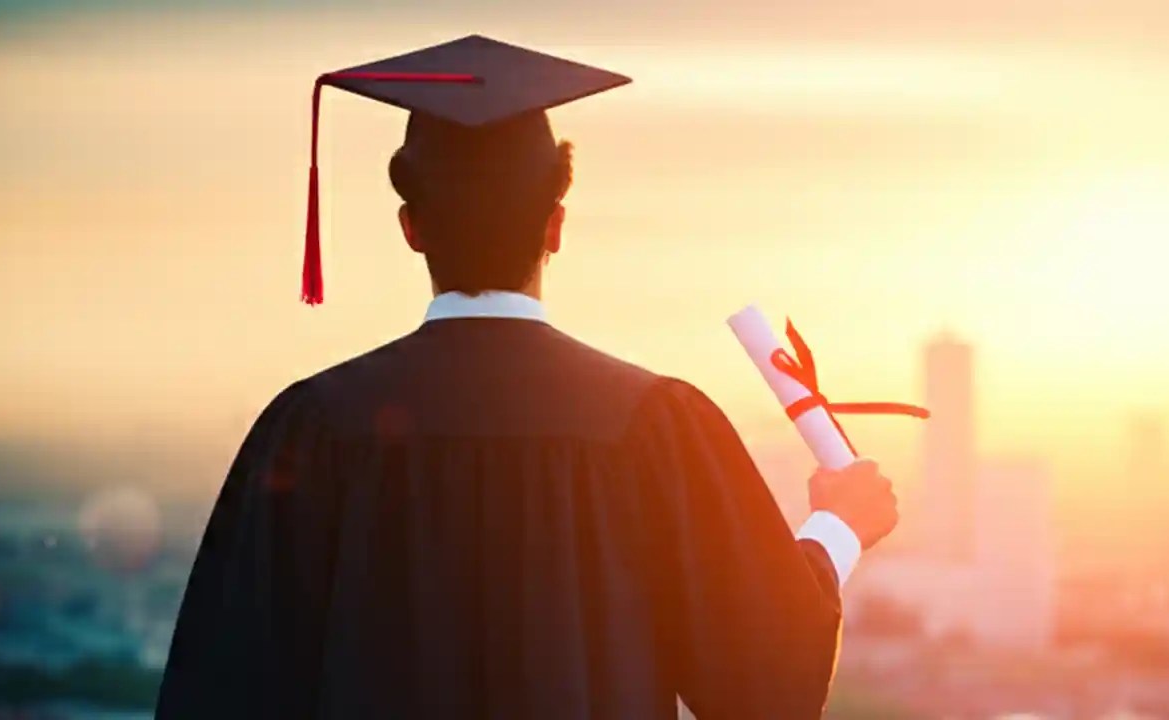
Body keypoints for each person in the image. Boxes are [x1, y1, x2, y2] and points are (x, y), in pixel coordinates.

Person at [156, 35, 899, 720]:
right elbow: (763, 679)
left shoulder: (312, 427)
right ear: (556, 225)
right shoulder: (654, 424)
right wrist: (838, 524)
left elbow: (222, 692)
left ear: (411, 228)